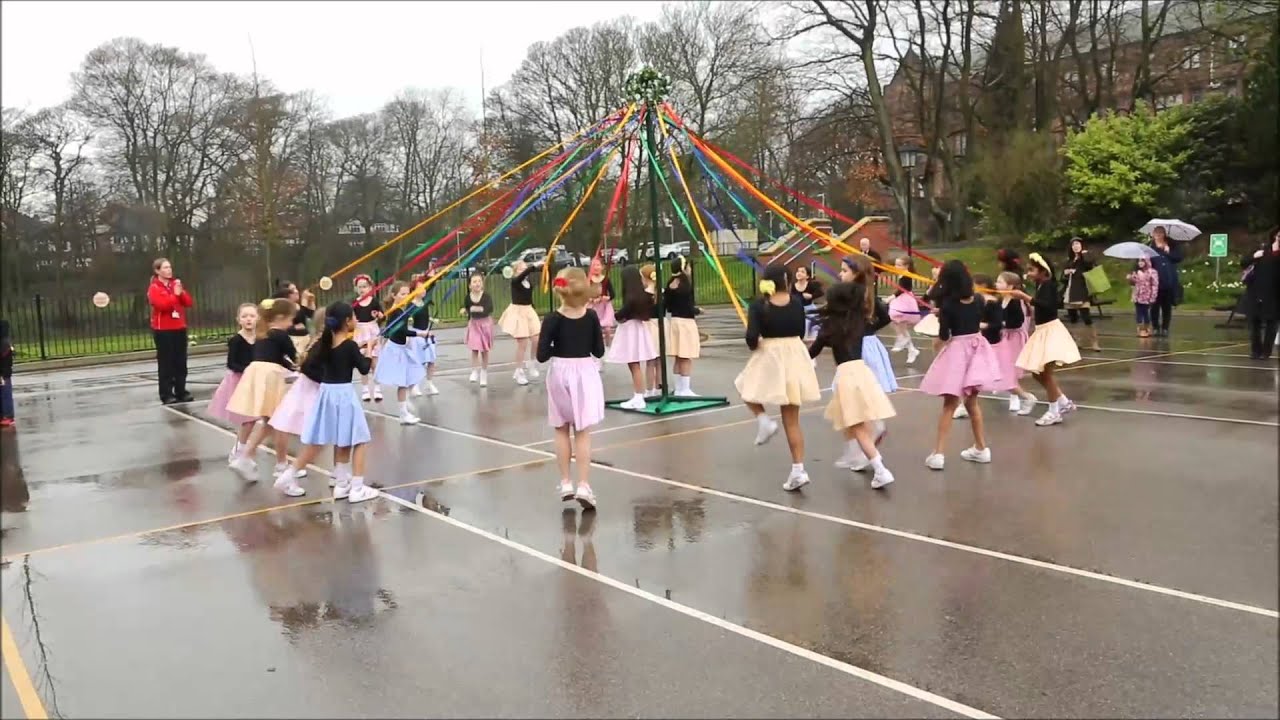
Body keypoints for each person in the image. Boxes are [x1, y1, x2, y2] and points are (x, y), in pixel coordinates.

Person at [275, 301, 377, 502]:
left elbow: (320, 361)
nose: (356, 320)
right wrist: (371, 351)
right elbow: (365, 368)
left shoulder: (325, 344)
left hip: (327, 394)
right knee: (359, 439)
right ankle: (357, 488)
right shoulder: (348, 345)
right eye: (354, 317)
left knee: (342, 439)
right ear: (347, 321)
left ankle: (341, 484)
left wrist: (358, 349)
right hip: (344, 395)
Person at [735, 264, 822, 491]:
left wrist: (756, 343)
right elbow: (801, 332)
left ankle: (763, 420)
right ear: (789, 281)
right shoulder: (796, 302)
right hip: (794, 353)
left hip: (771, 353)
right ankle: (798, 469)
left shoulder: (759, 305)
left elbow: (752, 336)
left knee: (745, 385)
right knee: (792, 419)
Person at [809, 282, 897, 489]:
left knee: (855, 424)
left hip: (846, 376)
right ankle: (858, 452)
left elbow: (813, 352)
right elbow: (882, 316)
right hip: (863, 372)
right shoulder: (860, 320)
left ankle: (880, 469)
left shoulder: (830, 326)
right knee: (854, 420)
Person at [917, 261, 1001, 470]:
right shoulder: (979, 299)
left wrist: (942, 319)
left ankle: (938, 453)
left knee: (949, 405)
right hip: (977, 349)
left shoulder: (948, 305)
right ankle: (981, 448)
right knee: (972, 403)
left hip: (959, 351)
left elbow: (945, 335)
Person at [537, 267, 606, 510]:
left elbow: (542, 355)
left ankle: (566, 481)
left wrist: (557, 346)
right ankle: (584, 485)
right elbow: (599, 351)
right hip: (584, 372)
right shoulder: (591, 317)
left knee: (561, 428)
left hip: (559, 372)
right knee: (583, 430)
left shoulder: (552, 318)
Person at [227, 299, 299, 481]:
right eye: (290, 319)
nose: (291, 323)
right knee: (279, 422)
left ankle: (250, 457)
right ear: (281, 318)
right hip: (270, 377)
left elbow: (276, 357)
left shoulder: (263, 333)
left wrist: (292, 368)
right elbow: (294, 356)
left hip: (257, 373)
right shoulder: (281, 335)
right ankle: (278, 464)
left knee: (271, 421)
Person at [1011, 252, 1081, 426]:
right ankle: (1063, 402)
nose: (1029, 273)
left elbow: (1049, 306)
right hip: (1042, 331)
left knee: (1047, 374)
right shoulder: (1041, 286)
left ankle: (1054, 411)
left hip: (1051, 333)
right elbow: (1040, 307)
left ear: (1044, 272)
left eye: (1032, 270)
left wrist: (1026, 298)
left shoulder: (1048, 285)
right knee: (1037, 373)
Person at [838, 255, 895, 444]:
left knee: (854, 395)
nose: (840, 274)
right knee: (864, 392)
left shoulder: (849, 297)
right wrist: (869, 329)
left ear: (857, 274)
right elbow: (886, 317)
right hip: (870, 345)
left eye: (845, 270)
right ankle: (867, 438)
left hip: (858, 349)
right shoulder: (869, 294)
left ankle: (868, 436)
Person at [208, 303, 260, 462]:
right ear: (239, 320)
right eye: (244, 316)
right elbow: (232, 363)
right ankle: (240, 450)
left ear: (258, 318)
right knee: (248, 419)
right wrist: (247, 370)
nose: (248, 319)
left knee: (259, 418)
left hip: (256, 381)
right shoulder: (236, 340)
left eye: (252, 316)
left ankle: (243, 449)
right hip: (240, 382)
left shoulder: (260, 338)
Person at [375, 282, 430, 425]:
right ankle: (403, 412)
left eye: (407, 293)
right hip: (396, 350)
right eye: (402, 294)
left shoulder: (400, 310)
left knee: (412, 374)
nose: (406, 296)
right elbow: (401, 331)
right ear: (394, 295)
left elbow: (389, 329)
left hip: (402, 348)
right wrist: (420, 333)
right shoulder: (396, 312)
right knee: (403, 382)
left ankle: (404, 406)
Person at [954, 273, 1006, 420]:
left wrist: (982, 325)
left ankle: (1022, 396)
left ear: (982, 285)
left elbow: (997, 324)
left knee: (992, 376)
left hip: (988, 343)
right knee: (968, 376)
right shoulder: (973, 301)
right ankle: (964, 405)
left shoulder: (992, 303)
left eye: (974, 284)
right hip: (973, 343)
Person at [607, 265, 660, 409]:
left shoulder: (631, 298)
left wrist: (617, 316)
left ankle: (638, 396)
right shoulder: (643, 296)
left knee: (634, 364)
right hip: (637, 329)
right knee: (634, 364)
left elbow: (621, 314)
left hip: (630, 330)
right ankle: (638, 395)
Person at [147, 257, 194, 404]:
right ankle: (166, 393)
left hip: (179, 327)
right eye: (165, 268)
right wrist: (175, 295)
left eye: (169, 267)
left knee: (181, 362)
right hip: (164, 330)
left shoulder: (175, 284)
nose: (169, 270)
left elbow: (188, 302)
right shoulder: (154, 288)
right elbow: (163, 306)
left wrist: (181, 292)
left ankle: (181, 390)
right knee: (166, 363)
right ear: (157, 271)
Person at [993, 271, 1038, 414]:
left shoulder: (1015, 301)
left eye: (1000, 282)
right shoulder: (1001, 300)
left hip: (1013, 338)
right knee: (1002, 370)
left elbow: (1017, 321)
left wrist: (1000, 323)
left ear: (1010, 286)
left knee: (1007, 371)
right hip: (1005, 337)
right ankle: (1019, 396)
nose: (996, 284)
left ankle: (1024, 397)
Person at [500, 260, 542, 386]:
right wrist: (533, 266)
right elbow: (522, 275)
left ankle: (531, 362)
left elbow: (528, 297)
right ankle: (519, 371)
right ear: (515, 272)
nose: (524, 271)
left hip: (528, 310)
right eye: (520, 269)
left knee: (536, 338)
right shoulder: (515, 282)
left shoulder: (528, 282)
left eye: (524, 268)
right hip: (518, 312)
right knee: (522, 343)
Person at [664, 256, 702, 397]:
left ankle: (678, 388)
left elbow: (669, 306)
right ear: (683, 268)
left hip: (674, 321)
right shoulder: (685, 286)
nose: (690, 269)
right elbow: (688, 308)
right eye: (688, 266)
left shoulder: (670, 284)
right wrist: (697, 310)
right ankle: (685, 389)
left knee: (678, 357)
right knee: (686, 356)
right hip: (685, 323)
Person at [1241, 226, 1280, 359]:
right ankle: (1255, 350)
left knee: (1271, 323)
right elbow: (1243, 263)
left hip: (1274, 293)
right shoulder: (1263, 249)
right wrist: (1254, 256)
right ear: (1275, 236)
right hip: (1256, 290)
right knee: (1254, 322)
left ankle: (1266, 352)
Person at [1062, 238, 1101, 352]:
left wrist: (1084, 255)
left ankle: (1094, 342)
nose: (1076, 246)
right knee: (1073, 317)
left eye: (1078, 244)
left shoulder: (1085, 256)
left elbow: (1090, 265)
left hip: (1082, 290)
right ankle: (1076, 340)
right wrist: (1066, 273)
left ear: (1082, 245)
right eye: (1073, 244)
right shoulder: (1069, 259)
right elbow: (1063, 276)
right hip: (1070, 291)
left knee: (1086, 317)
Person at [351, 274, 384, 401]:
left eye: (364, 286)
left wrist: (379, 315)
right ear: (356, 289)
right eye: (359, 287)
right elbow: (353, 318)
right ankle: (365, 388)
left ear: (370, 287)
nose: (362, 289)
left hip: (372, 330)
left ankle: (377, 388)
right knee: (363, 361)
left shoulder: (374, 301)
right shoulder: (355, 304)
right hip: (360, 331)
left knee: (375, 361)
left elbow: (382, 316)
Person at [1148, 225, 1184, 337]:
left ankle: (1165, 327)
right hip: (1155, 280)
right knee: (1154, 305)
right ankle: (1155, 326)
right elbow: (1143, 261)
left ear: (1164, 235)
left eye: (1161, 233)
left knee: (1166, 306)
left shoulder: (1171, 246)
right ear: (1153, 235)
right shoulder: (1149, 247)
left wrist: (1168, 251)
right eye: (1156, 233)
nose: (1158, 236)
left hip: (1168, 279)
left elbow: (1178, 258)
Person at [460, 272, 495, 386]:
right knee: (474, 348)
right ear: (470, 285)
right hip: (474, 324)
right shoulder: (468, 297)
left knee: (484, 350)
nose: (477, 283)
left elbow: (488, 309)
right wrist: (465, 310)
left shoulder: (486, 297)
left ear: (482, 283)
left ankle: (484, 372)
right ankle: (474, 370)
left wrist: (473, 309)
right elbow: (466, 307)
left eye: (479, 281)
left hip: (485, 324)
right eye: (474, 281)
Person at [886, 256, 922, 363]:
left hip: (905, 300)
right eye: (896, 264)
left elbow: (902, 290)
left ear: (906, 266)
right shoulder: (902, 274)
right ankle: (911, 349)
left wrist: (891, 297)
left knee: (895, 315)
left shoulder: (906, 275)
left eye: (899, 265)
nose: (896, 267)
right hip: (901, 299)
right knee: (898, 322)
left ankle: (902, 338)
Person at [587, 257, 616, 364]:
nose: (596, 268)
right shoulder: (588, 280)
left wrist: (606, 298)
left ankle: (607, 349)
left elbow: (612, 294)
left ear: (602, 267)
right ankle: (595, 353)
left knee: (607, 329)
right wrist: (591, 299)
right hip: (592, 306)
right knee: (593, 331)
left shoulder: (605, 279)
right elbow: (584, 293)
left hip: (604, 307)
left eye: (598, 265)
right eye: (593, 265)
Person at [277, 280, 316, 356]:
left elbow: (311, 314)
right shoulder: (284, 306)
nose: (296, 291)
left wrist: (311, 301)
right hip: (294, 341)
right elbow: (300, 317)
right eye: (293, 290)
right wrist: (304, 300)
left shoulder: (298, 306)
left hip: (305, 339)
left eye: (296, 288)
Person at [1127, 258, 1160, 338]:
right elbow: (1133, 283)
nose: (1140, 263)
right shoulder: (1137, 272)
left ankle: (1146, 329)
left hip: (1146, 296)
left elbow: (1155, 285)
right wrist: (1130, 278)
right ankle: (1140, 329)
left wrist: (1153, 296)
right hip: (1137, 295)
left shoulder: (1152, 272)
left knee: (1145, 312)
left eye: (1142, 261)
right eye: (1139, 261)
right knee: (1138, 313)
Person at [791, 265, 824, 341]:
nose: (799, 273)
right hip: (797, 310)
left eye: (802, 272)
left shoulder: (811, 284)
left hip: (809, 309)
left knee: (811, 332)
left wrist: (811, 296)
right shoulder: (793, 285)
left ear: (807, 276)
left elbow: (820, 292)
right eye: (798, 271)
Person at [0, 319, 13, 429]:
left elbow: (5, 360)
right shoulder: (5, 343)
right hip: (5, 372)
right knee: (5, 394)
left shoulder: (3, 344)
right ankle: (6, 415)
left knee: (5, 394)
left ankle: (8, 415)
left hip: (4, 374)